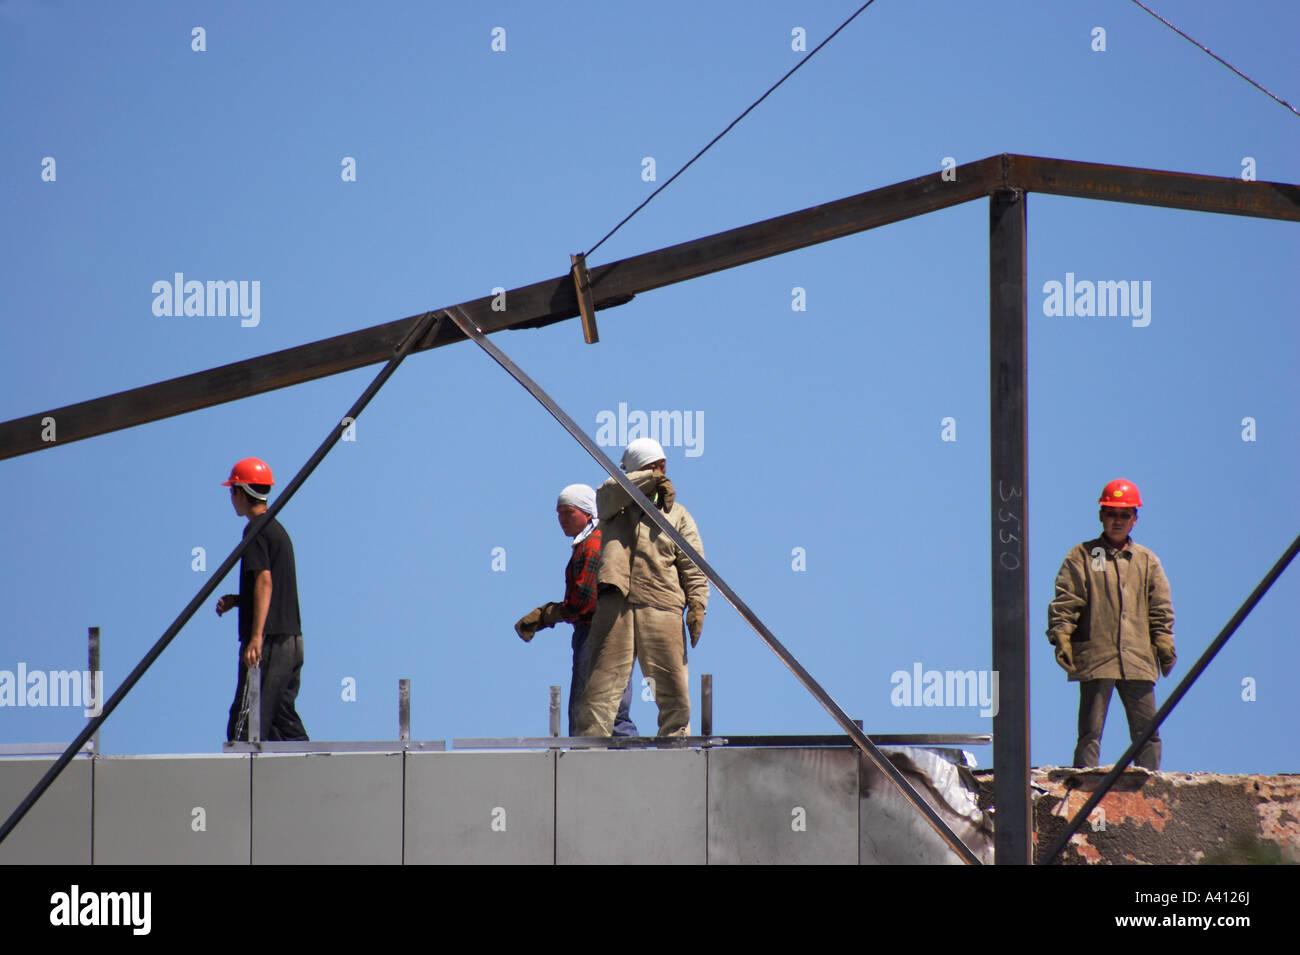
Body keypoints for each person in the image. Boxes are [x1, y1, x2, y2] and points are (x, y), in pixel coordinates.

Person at [575, 438, 708, 738]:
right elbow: (608, 492)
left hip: (661, 605)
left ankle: (675, 749)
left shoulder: (678, 515)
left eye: (662, 468)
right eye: (655, 468)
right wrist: (650, 479)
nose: (663, 472)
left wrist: (698, 604)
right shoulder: (613, 506)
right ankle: (588, 754)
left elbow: (693, 567)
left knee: (672, 689)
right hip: (615, 605)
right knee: (601, 688)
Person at [1047, 479, 1175, 770]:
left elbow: (1160, 608)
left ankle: (1150, 785)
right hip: (1097, 656)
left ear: (1134, 520)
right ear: (1101, 516)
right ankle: (1085, 782)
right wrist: (1062, 636)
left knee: (1147, 732)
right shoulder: (1082, 556)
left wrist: (1164, 642)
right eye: (1111, 513)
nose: (1117, 521)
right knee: (1090, 731)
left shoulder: (1146, 562)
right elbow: (1067, 600)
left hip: (1138, 657)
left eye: (1124, 514)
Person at [515, 485, 640, 737]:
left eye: (568, 512)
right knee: (614, 707)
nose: (562, 519)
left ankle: (582, 764)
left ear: (586, 513)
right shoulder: (597, 540)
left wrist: (546, 615)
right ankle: (630, 760)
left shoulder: (592, 546)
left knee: (588, 707)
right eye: (558, 513)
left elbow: (582, 603)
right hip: (616, 631)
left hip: (595, 632)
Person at [215, 457, 309, 742]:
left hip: (268, 642)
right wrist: (240, 600)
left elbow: (265, 581)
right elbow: (274, 588)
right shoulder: (277, 531)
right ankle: (314, 772)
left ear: (241, 492)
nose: (231, 498)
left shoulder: (254, 530)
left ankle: (239, 780)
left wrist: (256, 638)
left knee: (245, 722)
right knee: (281, 719)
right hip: (291, 642)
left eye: (232, 491)